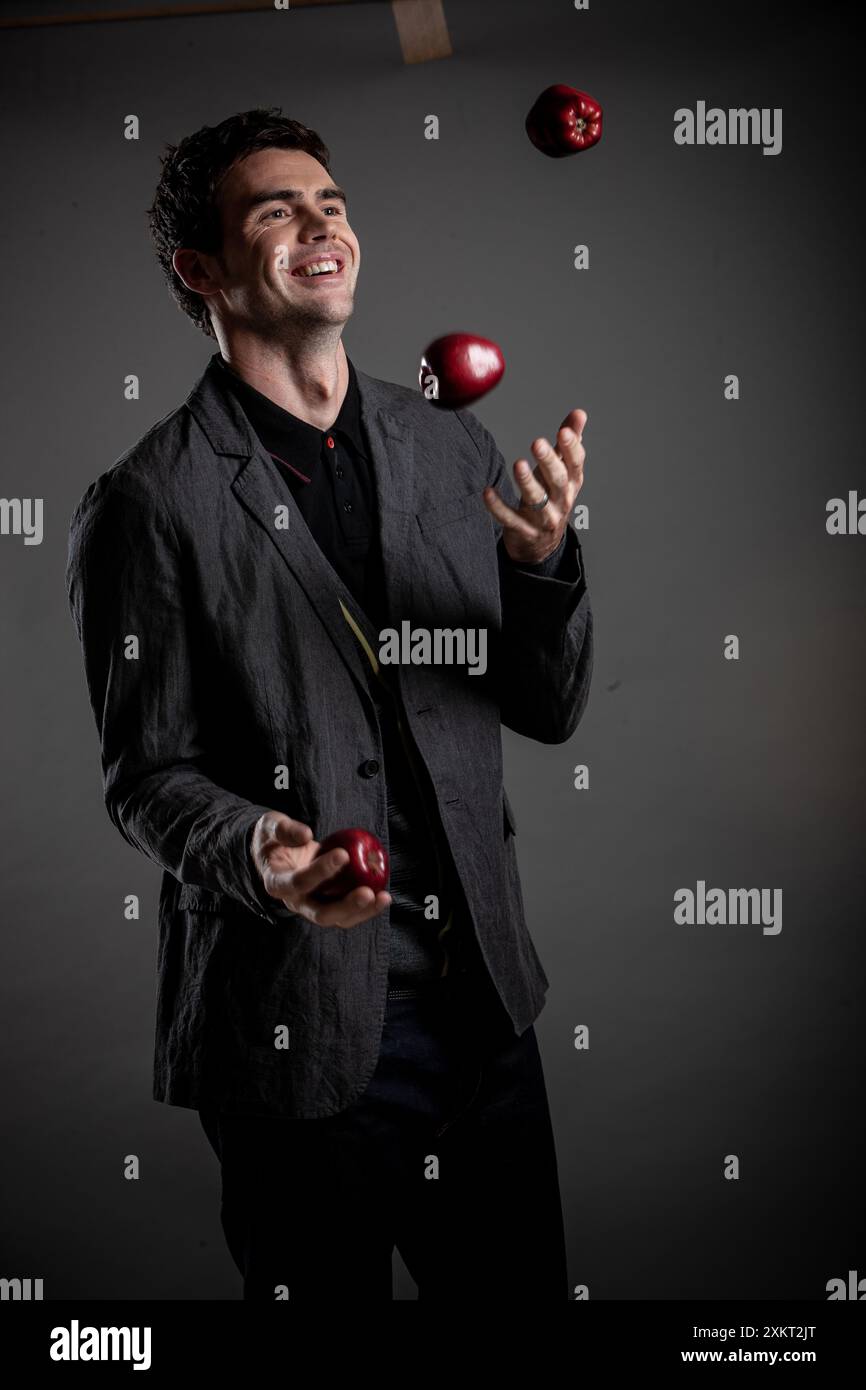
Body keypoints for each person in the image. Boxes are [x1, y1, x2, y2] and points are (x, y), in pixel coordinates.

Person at [65, 107, 594, 1301]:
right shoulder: (149, 501)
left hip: (484, 1019)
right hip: (294, 1040)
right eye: (276, 209)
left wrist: (540, 565)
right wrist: (257, 848)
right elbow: (144, 777)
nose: (321, 225)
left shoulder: (449, 449)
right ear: (198, 270)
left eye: (332, 203)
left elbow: (546, 710)